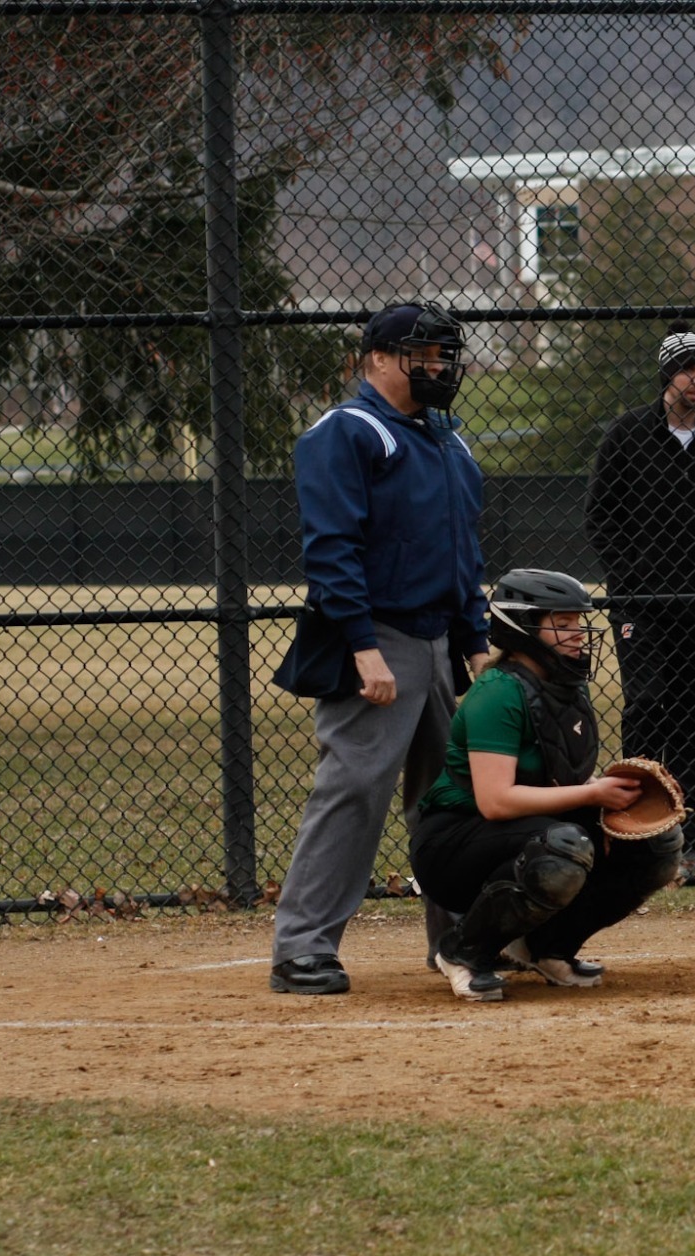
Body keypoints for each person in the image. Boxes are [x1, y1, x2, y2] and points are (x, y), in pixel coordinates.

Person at [270, 302, 490, 995]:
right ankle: (302, 946)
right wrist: (362, 647)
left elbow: (464, 551)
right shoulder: (349, 431)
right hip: (380, 635)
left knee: (452, 798)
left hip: (440, 638)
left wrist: (476, 640)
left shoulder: (448, 439)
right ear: (377, 360)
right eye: (422, 354)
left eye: (443, 354)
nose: (437, 367)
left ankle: (459, 938)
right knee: (355, 790)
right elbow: (331, 550)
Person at [410, 570, 682, 1001]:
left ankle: (548, 948)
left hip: (521, 830)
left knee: (656, 845)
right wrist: (592, 795)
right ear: (523, 628)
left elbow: (555, 778)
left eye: (578, 623)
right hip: (454, 842)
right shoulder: (497, 692)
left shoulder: (562, 686)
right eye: (562, 623)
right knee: (563, 848)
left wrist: (608, 788)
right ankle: (462, 951)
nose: (577, 634)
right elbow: (495, 801)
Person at [585, 321, 695, 878]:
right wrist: (633, 579)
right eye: (687, 368)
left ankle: (691, 835)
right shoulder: (628, 435)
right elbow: (601, 516)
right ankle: (636, 829)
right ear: (667, 373)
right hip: (643, 606)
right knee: (649, 706)